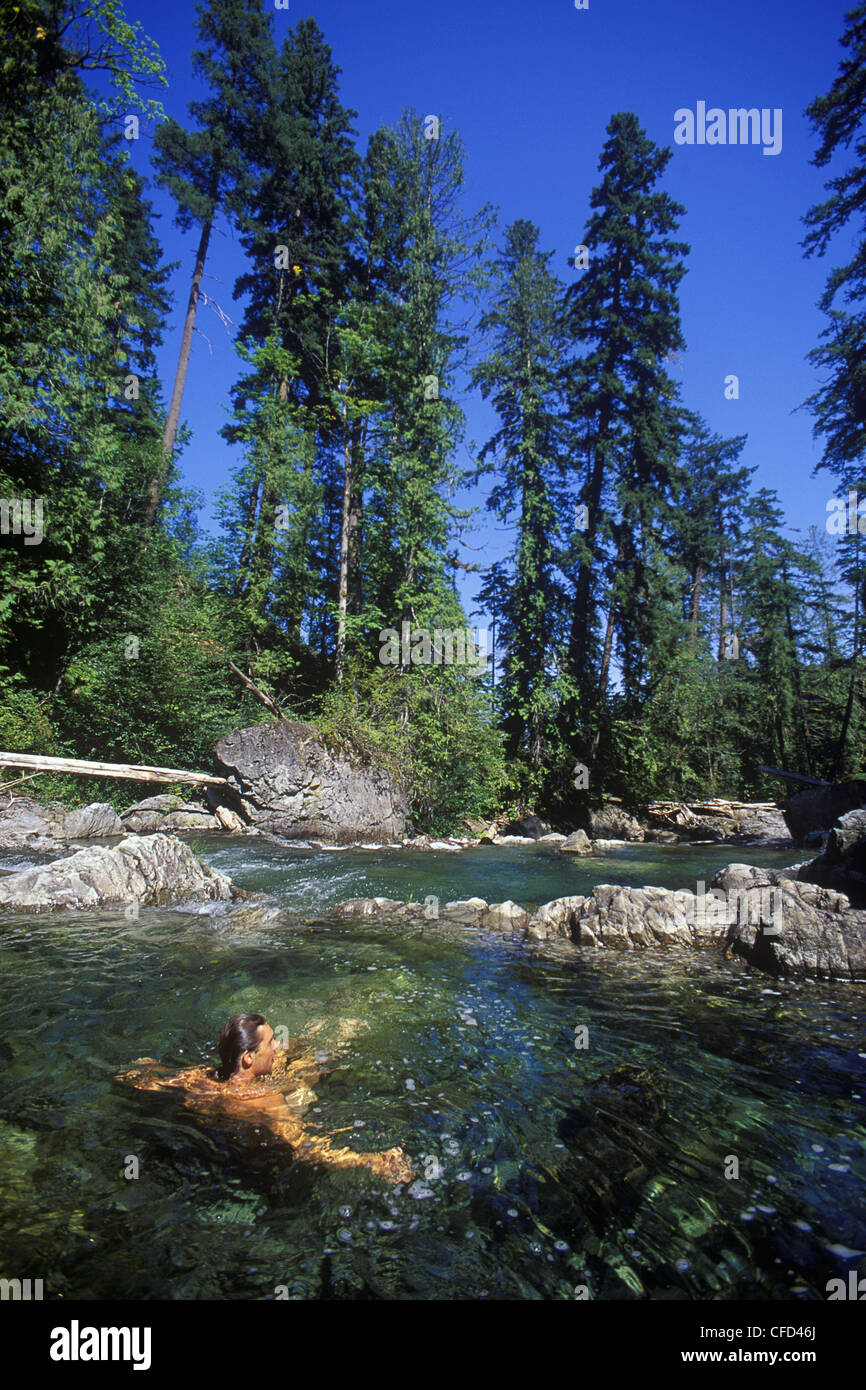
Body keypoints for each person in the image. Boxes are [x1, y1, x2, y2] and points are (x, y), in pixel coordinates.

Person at [119, 1013, 415, 1185]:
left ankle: (328, 1046)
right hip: (253, 1162)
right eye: (271, 1042)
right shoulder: (266, 1099)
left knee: (294, 1059)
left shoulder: (199, 1078)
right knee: (305, 1071)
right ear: (248, 1058)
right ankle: (340, 1041)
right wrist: (372, 1162)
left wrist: (142, 1068)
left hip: (220, 1140)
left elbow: (139, 1076)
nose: (277, 1044)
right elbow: (306, 1148)